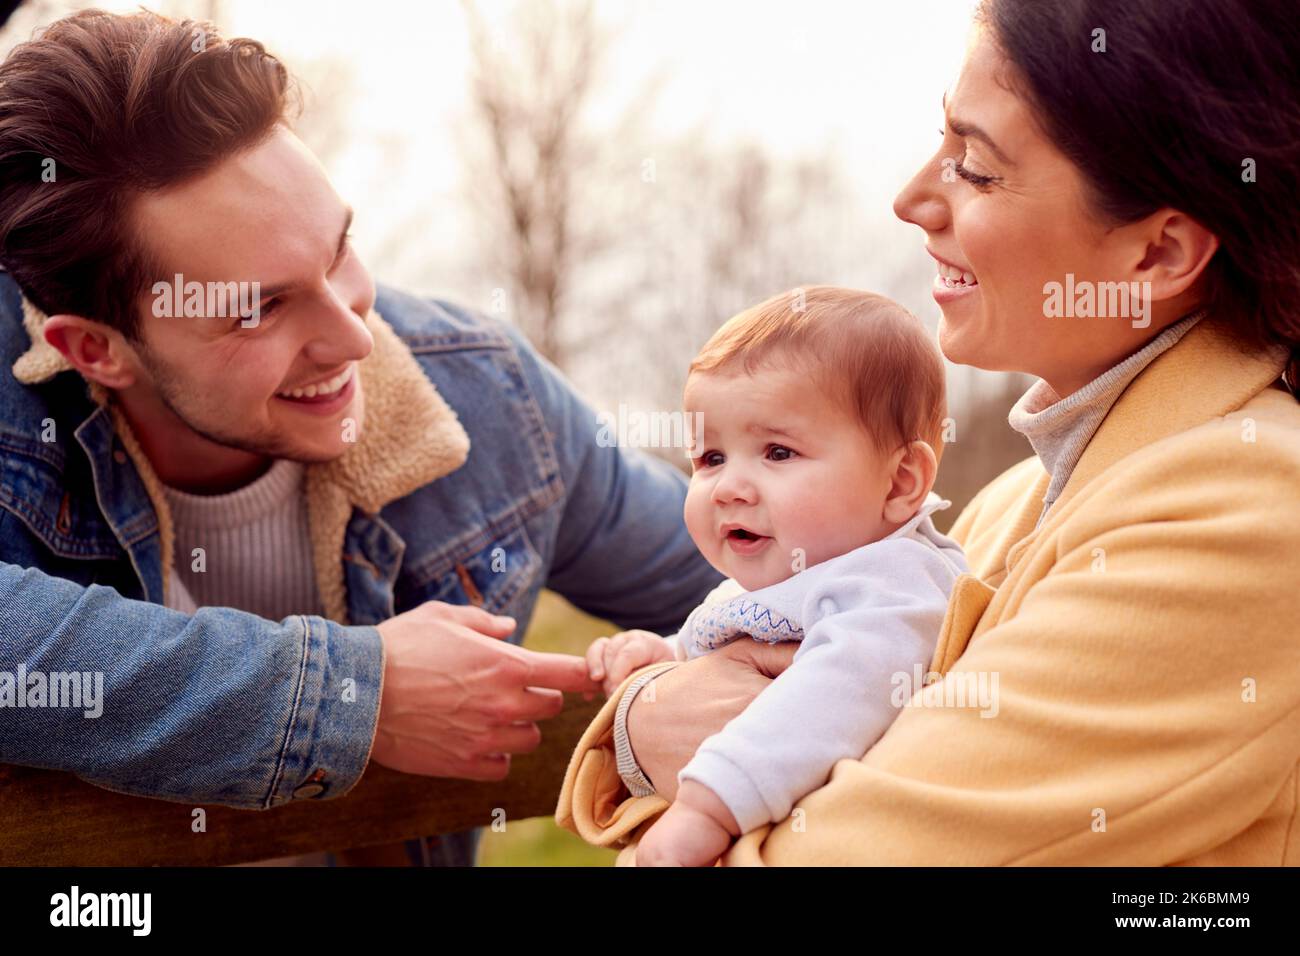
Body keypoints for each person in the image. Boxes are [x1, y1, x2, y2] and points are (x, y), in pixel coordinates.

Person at [556, 0, 1300, 865]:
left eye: (975, 169)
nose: (911, 199)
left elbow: (848, 855)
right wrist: (649, 713)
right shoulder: (1009, 504)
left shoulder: (1240, 517)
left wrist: (653, 746)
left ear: (1158, 255)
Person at [0, 8, 722, 866]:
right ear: (95, 348)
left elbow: (788, 578)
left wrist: (689, 683)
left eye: (340, 251)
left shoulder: (491, 395)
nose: (353, 339)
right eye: (257, 309)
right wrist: (351, 692)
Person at [570, 287, 969, 866]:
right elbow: (710, 655)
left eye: (778, 452)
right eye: (709, 458)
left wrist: (708, 807)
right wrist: (656, 657)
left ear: (901, 481)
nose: (729, 486)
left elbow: (831, 697)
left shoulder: (893, 583)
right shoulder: (766, 584)